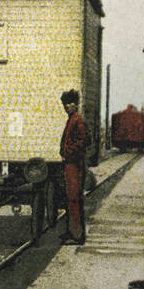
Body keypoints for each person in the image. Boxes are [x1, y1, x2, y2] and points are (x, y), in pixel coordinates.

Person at [59, 89, 89, 245]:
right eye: (65, 104)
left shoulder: (77, 120)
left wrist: (67, 152)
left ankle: (77, 235)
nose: (67, 106)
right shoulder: (73, 119)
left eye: (70, 103)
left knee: (74, 199)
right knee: (70, 199)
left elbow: (82, 143)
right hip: (70, 164)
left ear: (76, 104)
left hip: (75, 165)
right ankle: (72, 231)